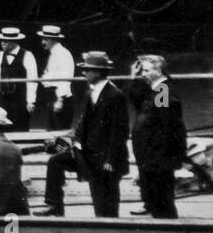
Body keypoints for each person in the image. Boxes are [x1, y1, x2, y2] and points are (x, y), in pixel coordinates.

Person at [37, 51, 129, 218]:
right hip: (87, 153)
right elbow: (83, 123)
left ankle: (109, 230)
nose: (84, 73)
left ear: (99, 72)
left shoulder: (115, 95)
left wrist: (110, 159)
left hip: (105, 157)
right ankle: (54, 205)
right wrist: (70, 140)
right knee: (56, 161)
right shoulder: (89, 93)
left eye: (87, 70)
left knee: (104, 204)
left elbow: (119, 131)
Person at [129, 54, 186, 219]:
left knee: (162, 203)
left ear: (159, 70)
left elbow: (167, 124)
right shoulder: (154, 89)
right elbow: (135, 99)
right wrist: (134, 77)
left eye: (146, 70)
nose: (143, 74)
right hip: (152, 156)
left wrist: (160, 157)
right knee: (157, 201)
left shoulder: (162, 90)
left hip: (158, 158)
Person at [0, 26, 37, 132]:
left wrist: (31, 101)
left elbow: (32, 80)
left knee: (20, 128)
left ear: (14, 42)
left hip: (20, 99)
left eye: (5, 41)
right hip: (4, 100)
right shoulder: (0, 55)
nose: (2, 43)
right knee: (3, 128)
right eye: (2, 40)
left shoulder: (27, 55)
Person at [36, 24, 75, 131]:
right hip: (52, 95)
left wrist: (60, 99)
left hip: (60, 96)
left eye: (46, 39)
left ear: (54, 39)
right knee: (52, 132)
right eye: (43, 39)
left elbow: (66, 78)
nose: (43, 42)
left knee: (59, 133)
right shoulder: (54, 54)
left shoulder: (63, 54)